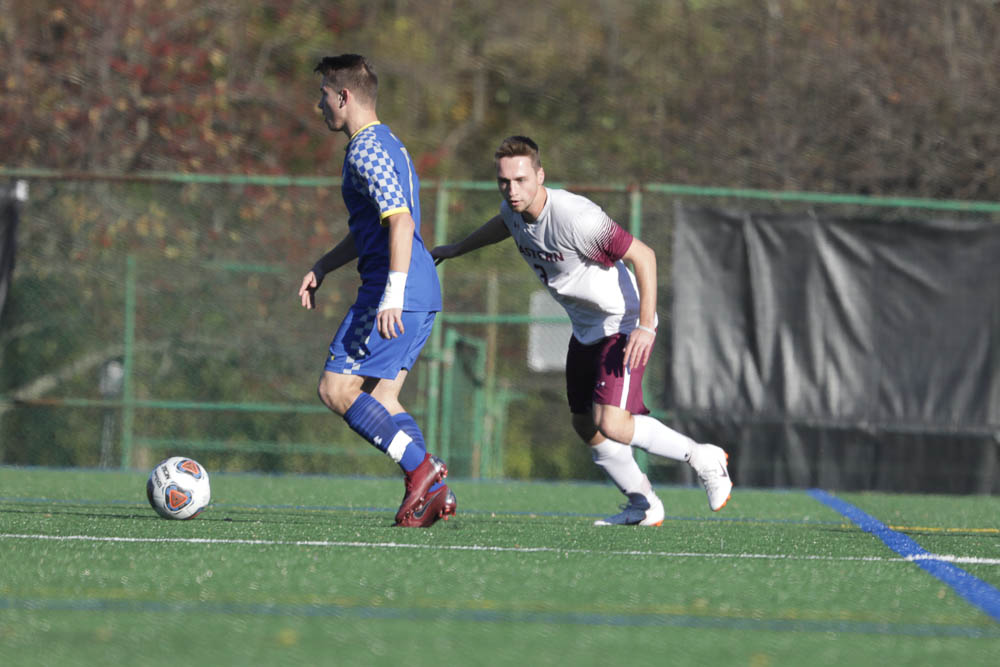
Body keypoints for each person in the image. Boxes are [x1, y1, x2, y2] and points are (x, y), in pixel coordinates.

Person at [431, 136, 731, 525]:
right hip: (587, 328)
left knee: (613, 423)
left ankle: (702, 457)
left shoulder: (577, 217)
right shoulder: (512, 210)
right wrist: (456, 248)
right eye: (504, 181)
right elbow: (501, 225)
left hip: (623, 323)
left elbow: (645, 256)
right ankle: (644, 503)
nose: (512, 189)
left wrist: (645, 326)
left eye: (521, 179)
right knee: (585, 425)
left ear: (540, 175)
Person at [298, 54, 455, 527]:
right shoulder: (390, 143)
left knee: (335, 388)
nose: (318, 104)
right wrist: (325, 264)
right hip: (421, 288)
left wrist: (391, 294)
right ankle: (437, 489)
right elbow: (377, 224)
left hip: (396, 288)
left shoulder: (366, 148)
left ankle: (421, 469)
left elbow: (401, 222)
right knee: (382, 400)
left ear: (344, 97)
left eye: (324, 93)